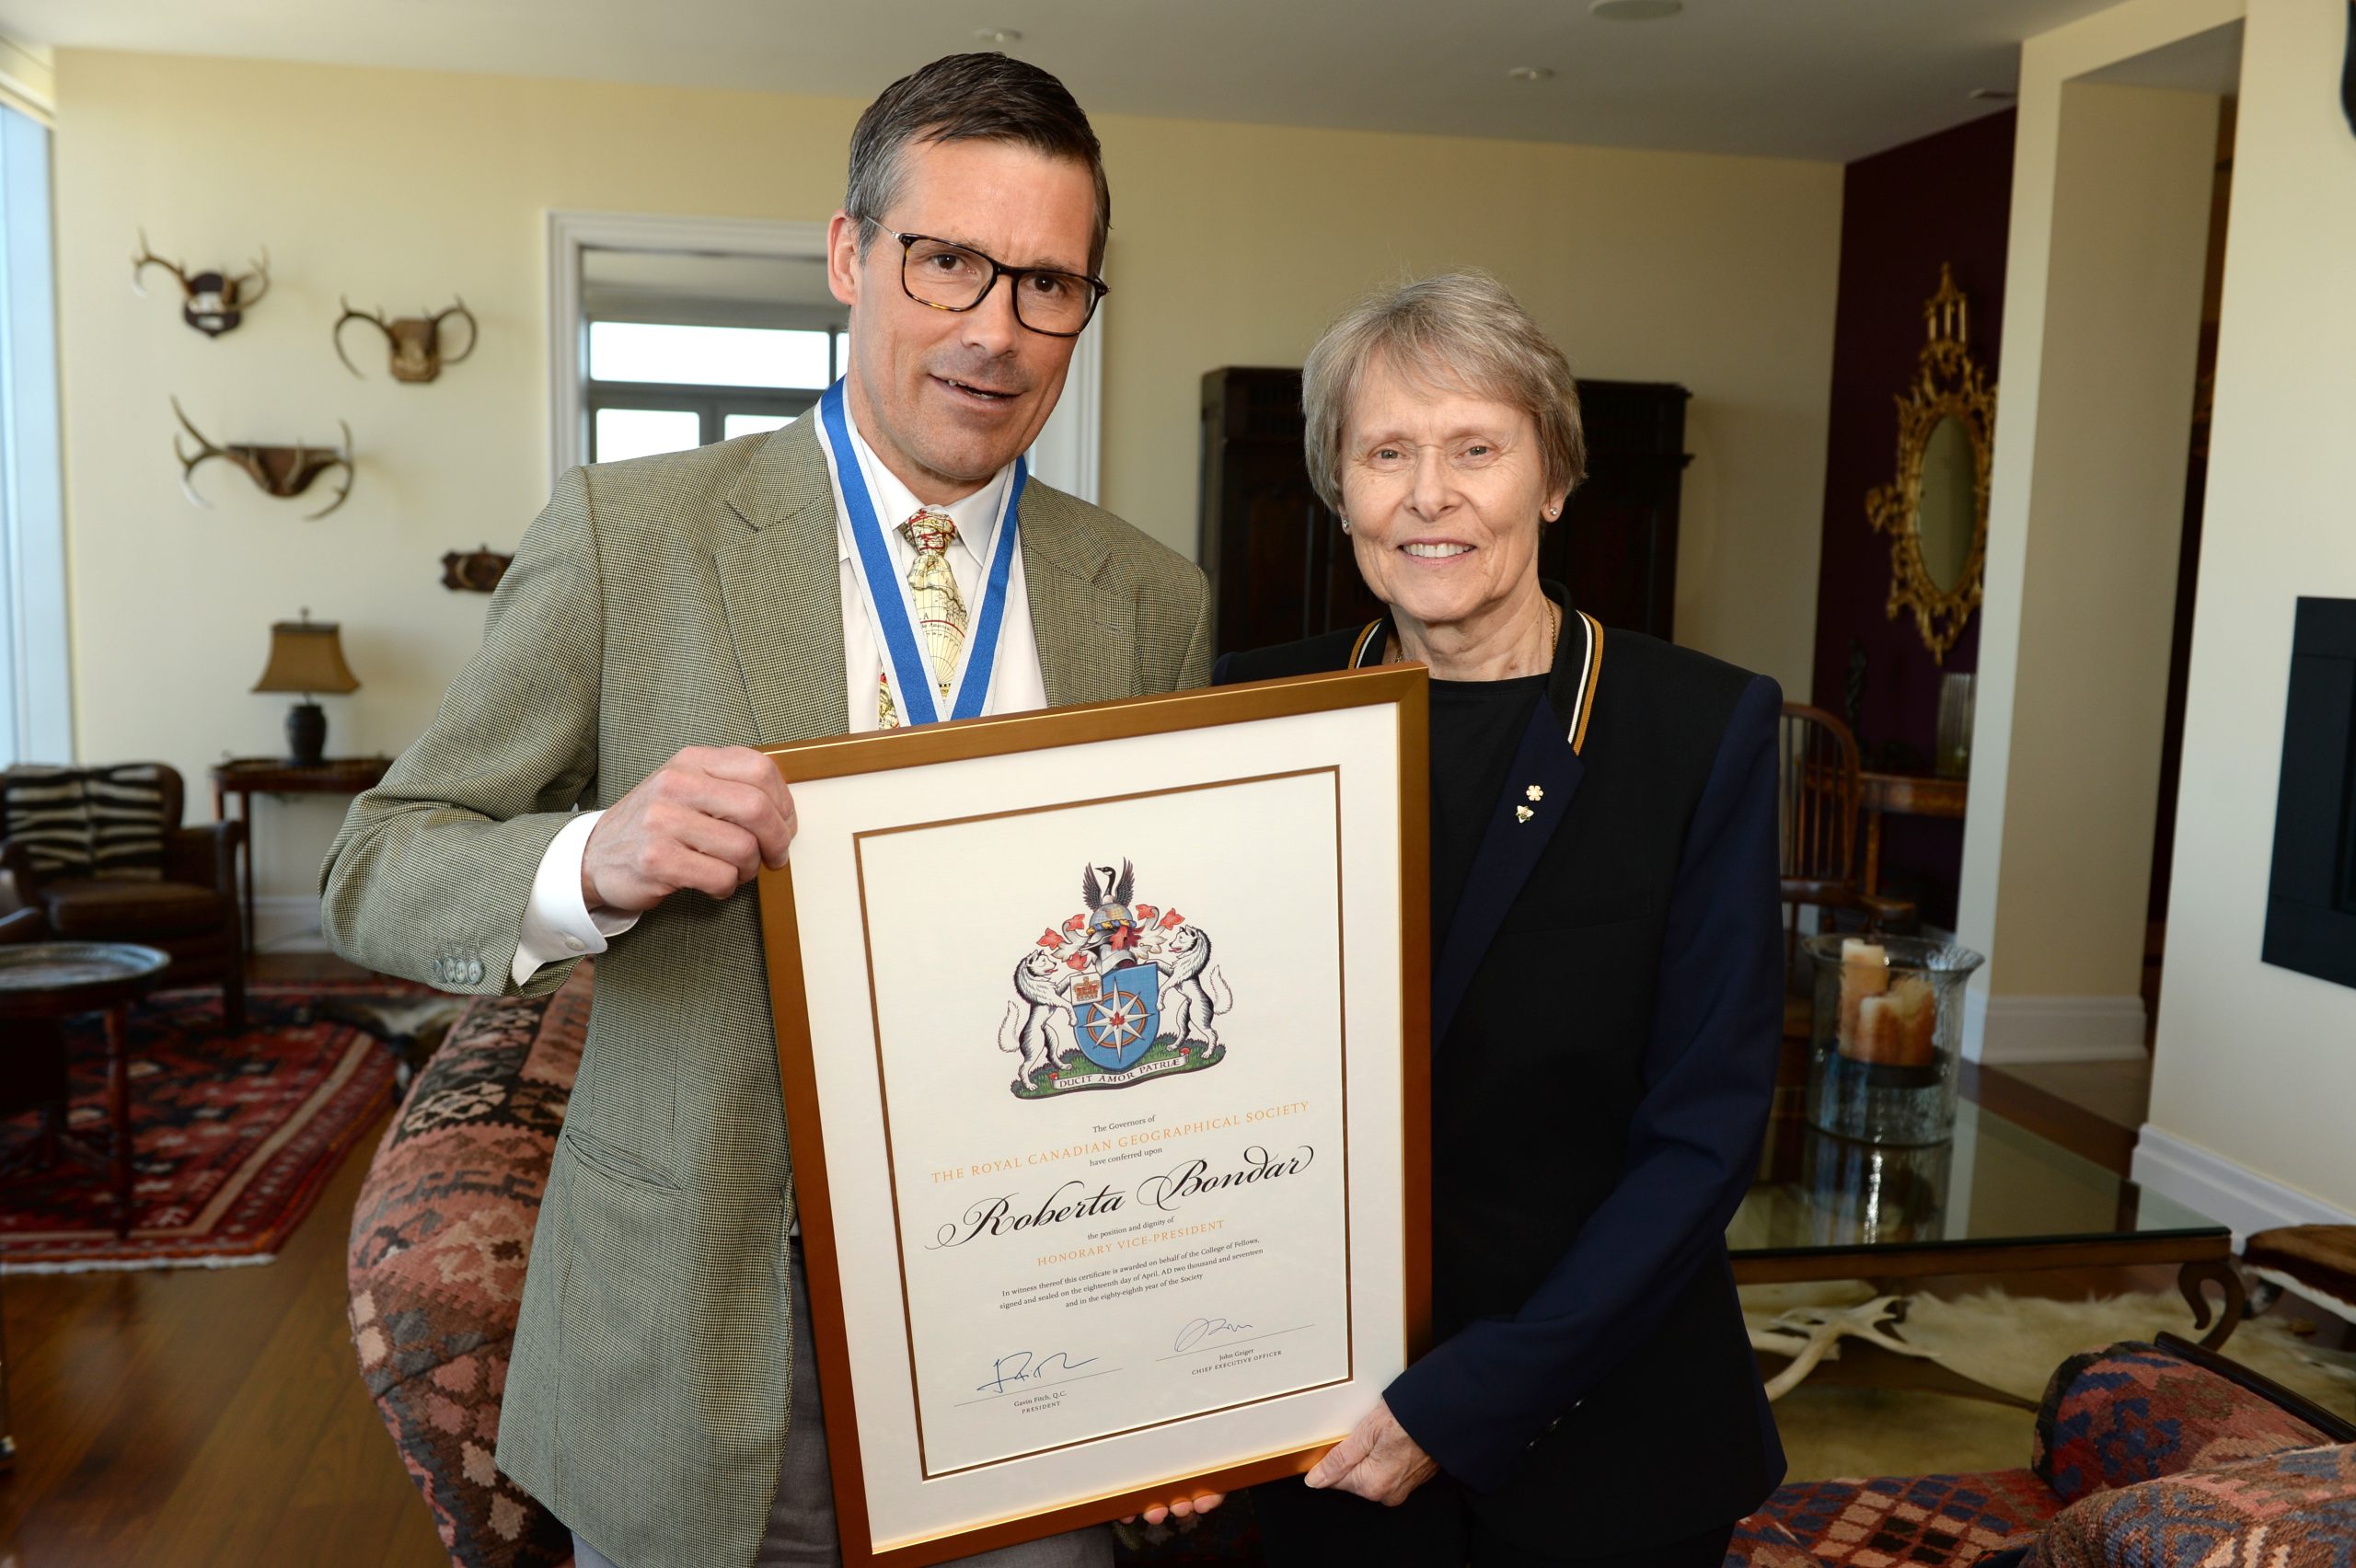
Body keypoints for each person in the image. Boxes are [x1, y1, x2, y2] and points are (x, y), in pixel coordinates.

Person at [322, 54, 1215, 1568]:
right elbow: (378, 867)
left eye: (1050, 283)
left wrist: (1185, 1358)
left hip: (1031, 1324)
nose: (997, 331)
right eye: (949, 263)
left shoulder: (1153, 600)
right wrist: (589, 861)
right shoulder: (630, 534)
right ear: (852, 256)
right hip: (715, 1313)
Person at [1216, 271, 1786, 1566]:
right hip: (1319, 1431)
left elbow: (1702, 1138)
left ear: (1554, 477)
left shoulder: (1697, 729)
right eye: (1386, 453)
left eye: (1477, 447)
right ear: (1337, 487)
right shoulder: (1249, 714)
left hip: (1602, 1437)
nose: (1430, 494)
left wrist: (1468, 1400)